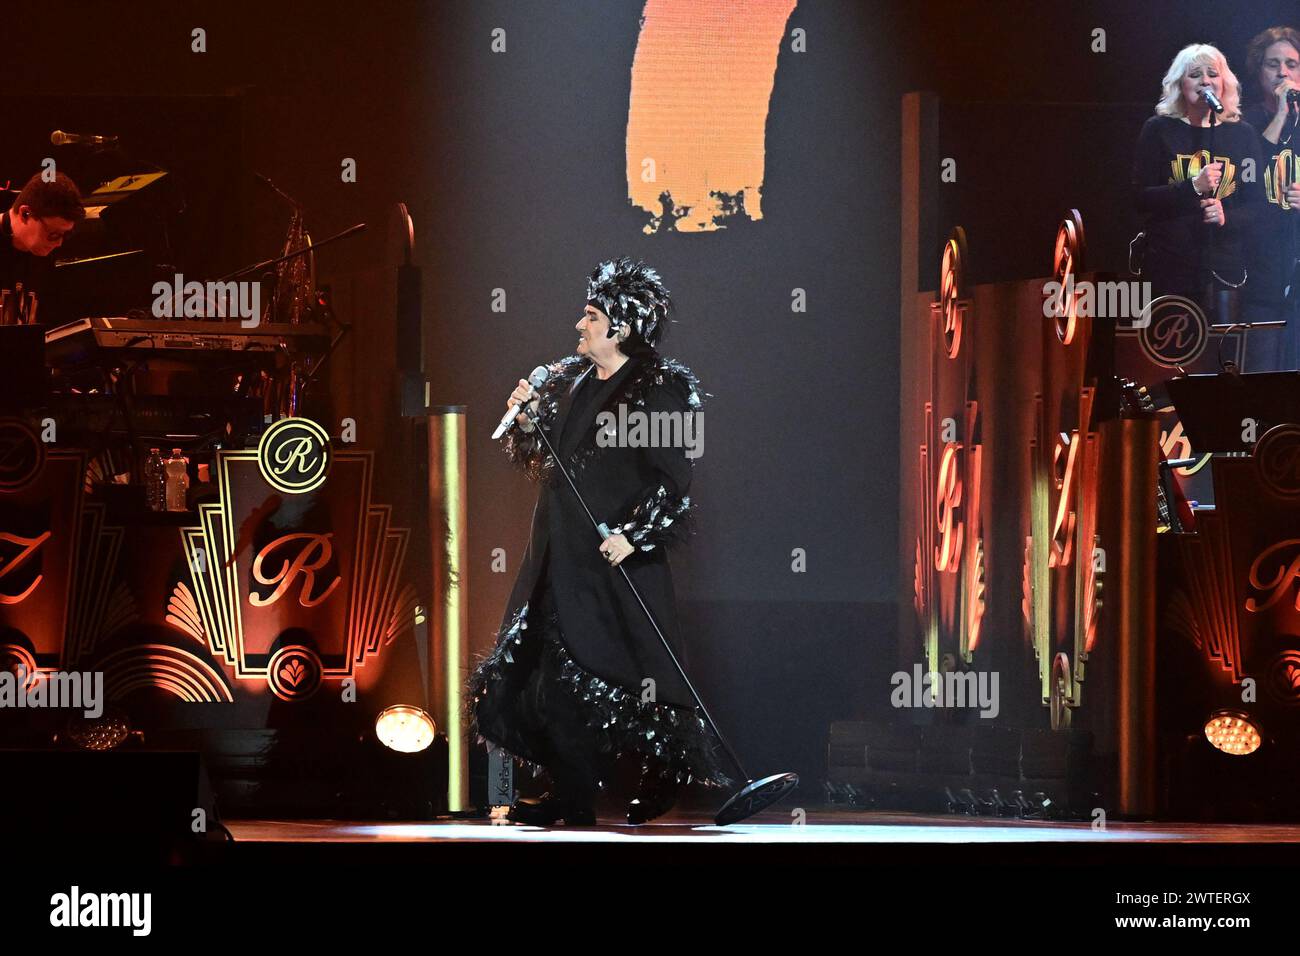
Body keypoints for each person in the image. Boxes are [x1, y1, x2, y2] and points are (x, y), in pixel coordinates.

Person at [466, 256, 734, 826]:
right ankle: (572, 796)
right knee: (552, 673)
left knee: (640, 675)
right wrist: (528, 417)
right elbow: (549, 463)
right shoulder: (575, 384)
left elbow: (675, 479)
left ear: (623, 325)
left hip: (615, 563)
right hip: (559, 557)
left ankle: (662, 777)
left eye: (591, 316)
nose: (579, 326)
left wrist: (635, 536)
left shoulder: (659, 388)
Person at [1131, 44, 1264, 333]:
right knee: (1170, 357)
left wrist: (1226, 216)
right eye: (1195, 74)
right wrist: (1191, 187)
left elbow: (1257, 205)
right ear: (1181, 84)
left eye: (1212, 74)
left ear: (1223, 83)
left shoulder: (1243, 135)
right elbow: (1140, 197)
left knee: (1222, 361)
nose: (1205, 81)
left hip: (1224, 271)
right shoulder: (1158, 130)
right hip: (1170, 268)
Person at [1241, 27, 1300, 369]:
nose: (1283, 72)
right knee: (1261, 371)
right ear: (1258, 70)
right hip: (1259, 270)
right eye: (1273, 64)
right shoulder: (1244, 123)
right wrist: (1281, 113)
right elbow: (1248, 172)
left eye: (1291, 64)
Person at [0, 171, 84, 325]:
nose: (59, 243)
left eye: (66, 234)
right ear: (25, 213)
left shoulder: (43, 254)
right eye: (54, 234)